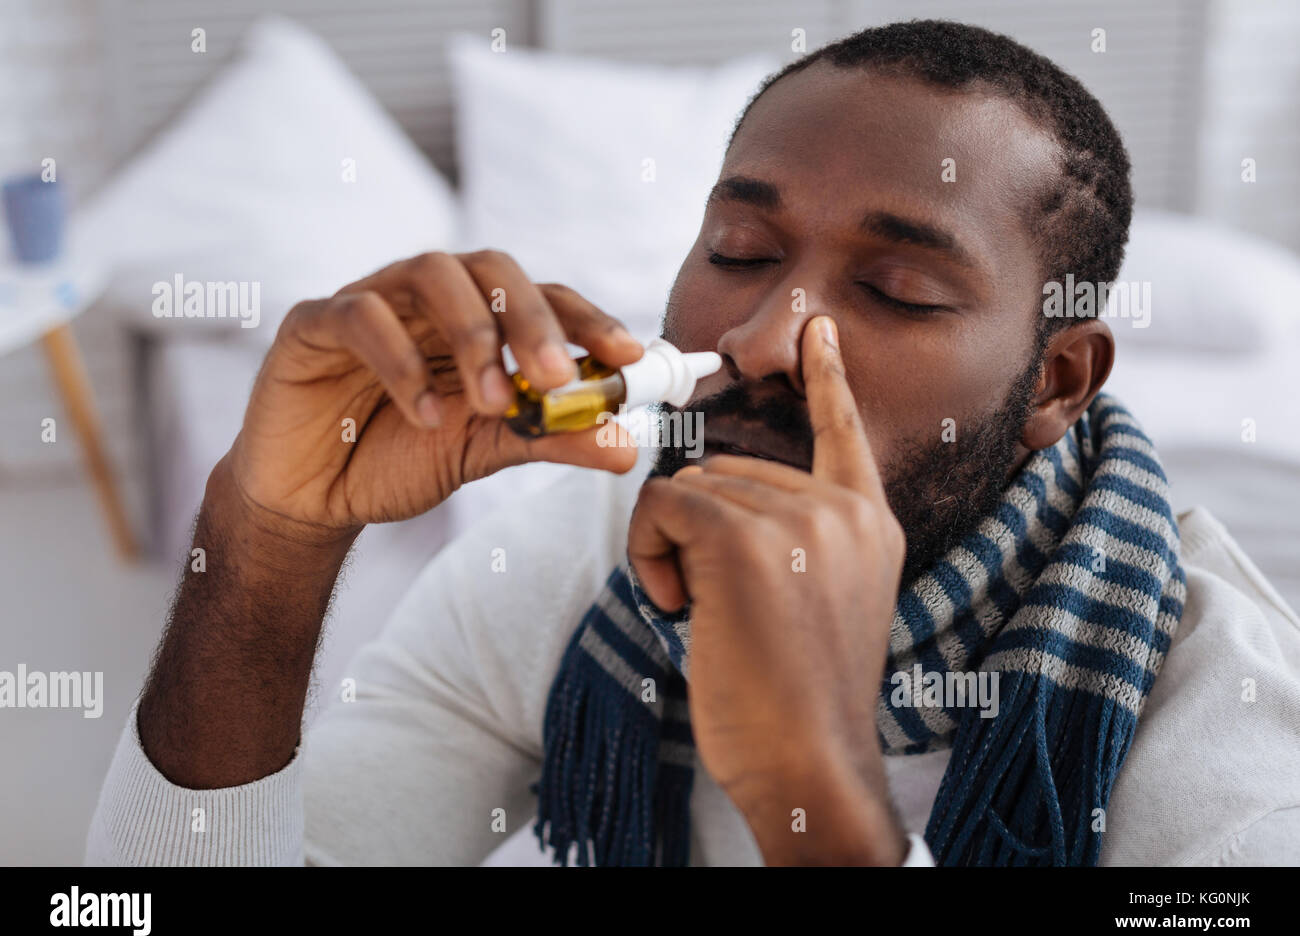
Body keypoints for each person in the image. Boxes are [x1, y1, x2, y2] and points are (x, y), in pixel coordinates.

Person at [87, 20, 1300, 866]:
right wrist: (266, 536)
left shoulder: (1231, 752)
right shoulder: (576, 557)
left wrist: (818, 794)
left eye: (898, 288)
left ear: (1056, 381)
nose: (770, 332)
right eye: (739, 253)